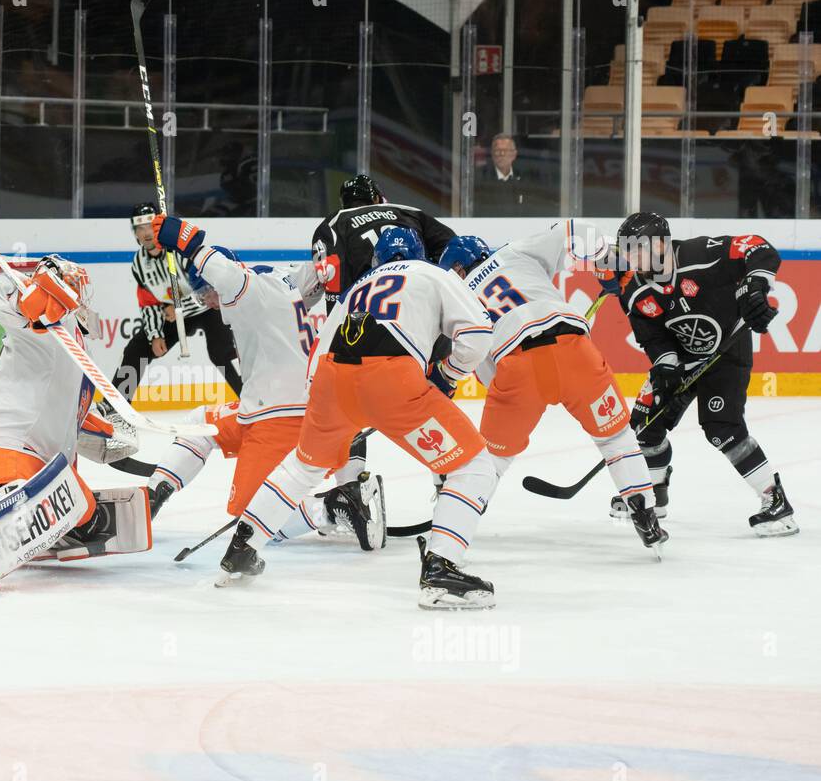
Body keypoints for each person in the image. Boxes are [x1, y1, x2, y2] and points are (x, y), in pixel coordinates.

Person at [219, 227, 501, 609]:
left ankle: (240, 550)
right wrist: (448, 373)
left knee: (303, 468)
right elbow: (477, 335)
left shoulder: (356, 288)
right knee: (475, 465)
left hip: (331, 380)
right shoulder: (431, 273)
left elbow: (316, 361)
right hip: (390, 376)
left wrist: (338, 410)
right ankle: (441, 569)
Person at [0, 258, 152, 593]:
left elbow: (71, 417)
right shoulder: (40, 322)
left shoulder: (74, 344)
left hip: (44, 458)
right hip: (7, 437)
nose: (79, 292)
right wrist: (29, 295)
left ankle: (46, 533)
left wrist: (110, 438)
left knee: (82, 505)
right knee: (25, 502)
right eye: (72, 283)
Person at [143, 214, 385, 548]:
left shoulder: (244, 289)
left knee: (252, 517)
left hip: (280, 416)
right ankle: (153, 495)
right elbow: (321, 273)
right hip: (305, 405)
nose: (208, 304)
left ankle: (332, 507)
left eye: (206, 295)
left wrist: (188, 243)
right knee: (201, 422)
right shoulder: (281, 278)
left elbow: (225, 273)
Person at [438, 225, 666, 552]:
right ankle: (644, 512)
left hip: (516, 368)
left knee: (488, 462)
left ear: (460, 266)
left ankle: (464, 511)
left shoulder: (459, 299)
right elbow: (574, 230)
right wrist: (607, 260)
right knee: (616, 438)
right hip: (575, 352)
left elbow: (485, 370)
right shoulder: (514, 252)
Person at [599, 212, 797, 536]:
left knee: (722, 428)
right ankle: (655, 496)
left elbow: (758, 248)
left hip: (728, 353)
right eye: (629, 250)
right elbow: (653, 337)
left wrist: (755, 288)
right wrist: (666, 367)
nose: (633, 258)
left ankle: (775, 502)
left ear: (661, 244)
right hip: (685, 360)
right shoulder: (634, 291)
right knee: (645, 424)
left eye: (639, 249)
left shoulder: (700, 255)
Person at [112, 202, 243, 402]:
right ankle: (116, 407)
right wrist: (155, 335)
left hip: (209, 308)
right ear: (135, 233)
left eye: (150, 226)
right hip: (173, 314)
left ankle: (249, 401)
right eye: (140, 228)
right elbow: (149, 304)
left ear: (158, 226)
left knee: (221, 354)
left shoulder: (179, 252)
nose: (146, 233)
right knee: (137, 349)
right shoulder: (139, 264)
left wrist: (180, 306)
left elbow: (209, 290)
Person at [308, 173, 456, 308]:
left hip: (369, 301)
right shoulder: (408, 211)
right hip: (418, 291)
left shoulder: (335, 222)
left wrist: (336, 315)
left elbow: (330, 269)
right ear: (377, 198)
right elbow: (452, 246)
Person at [475, 133, 532, 215]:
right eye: (498, 150)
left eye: (506, 150)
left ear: (514, 155)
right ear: (492, 154)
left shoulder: (525, 177)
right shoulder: (480, 177)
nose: (502, 154)